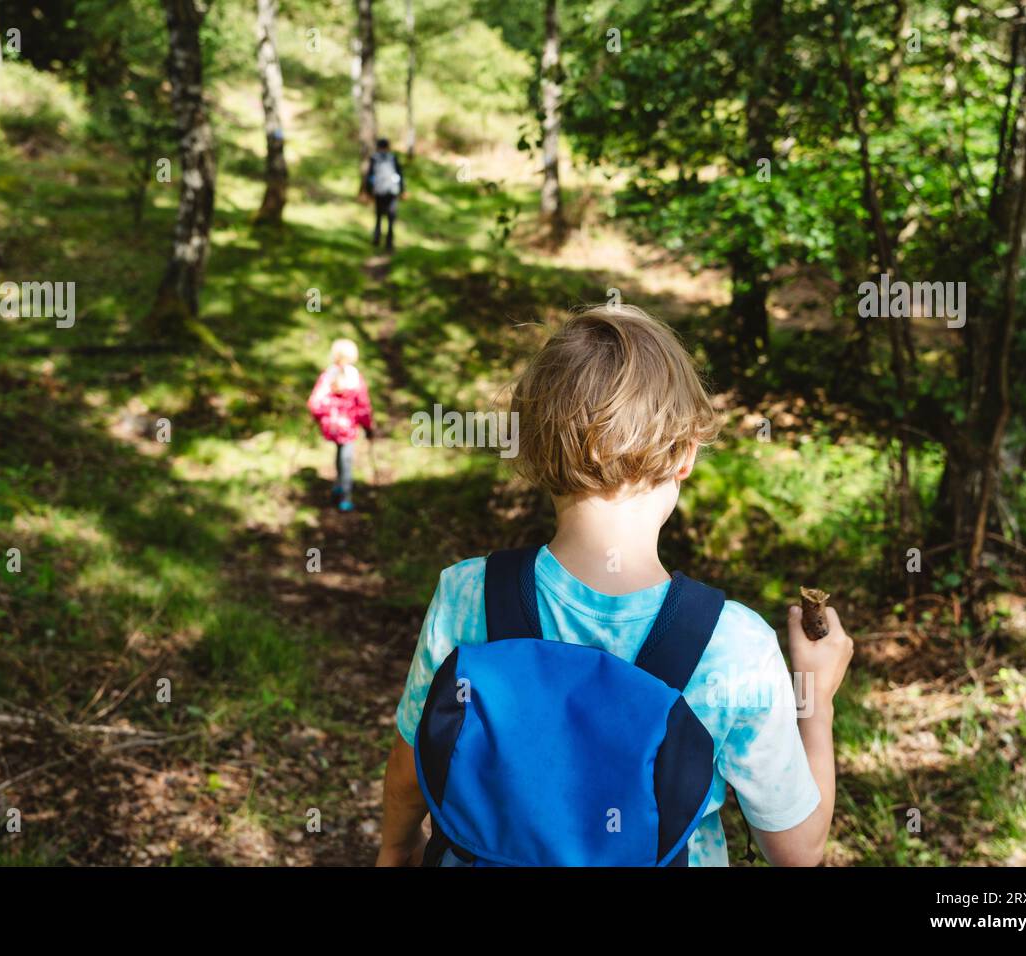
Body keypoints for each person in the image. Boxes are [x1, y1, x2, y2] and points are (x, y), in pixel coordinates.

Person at [376, 305, 854, 866]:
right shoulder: (732, 644)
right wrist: (815, 701)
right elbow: (798, 852)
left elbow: (412, 772)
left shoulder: (467, 594)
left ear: (533, 450)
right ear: (685, 454)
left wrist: (396, 849)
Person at [307, 338, 373, 512]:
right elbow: (363, 406)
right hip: (348, 427)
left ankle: (338, 484)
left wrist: (320, 417)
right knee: (347, 459)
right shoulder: (355, 378)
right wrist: (367, 426)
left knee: (339, 452)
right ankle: (346, 495)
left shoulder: (326, 376)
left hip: (331, 426)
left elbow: (315, 403)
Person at [364, 138, 405, 251]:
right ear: (388, 147)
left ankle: (376, 239)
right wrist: (402, 190)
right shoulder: (393, 157)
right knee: (391, 217)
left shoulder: (374, 158)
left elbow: (370, 176)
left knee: (378, 216)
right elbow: (400, 174)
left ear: (378, 146)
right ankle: (389, 242)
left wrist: (368, 191)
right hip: (392, 191)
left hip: (379, 191)